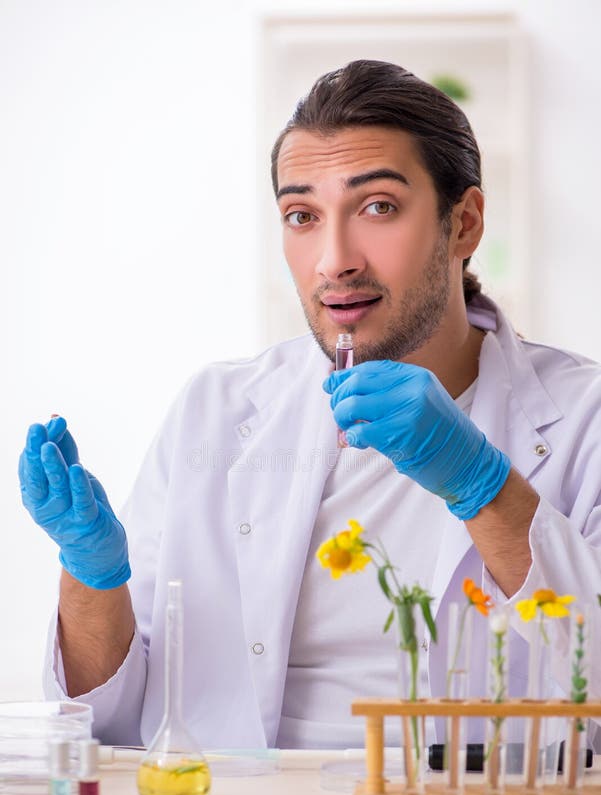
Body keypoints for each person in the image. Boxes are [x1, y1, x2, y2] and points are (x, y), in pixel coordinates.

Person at [19, 60, 601, 750]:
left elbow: (588, 680)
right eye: (302, 216)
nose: (334, 260)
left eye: (378, 207)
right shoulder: (216, 408)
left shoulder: (581, 414)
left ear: (463, 223)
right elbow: (112, 722)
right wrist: (90, 577)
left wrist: (484, 487)